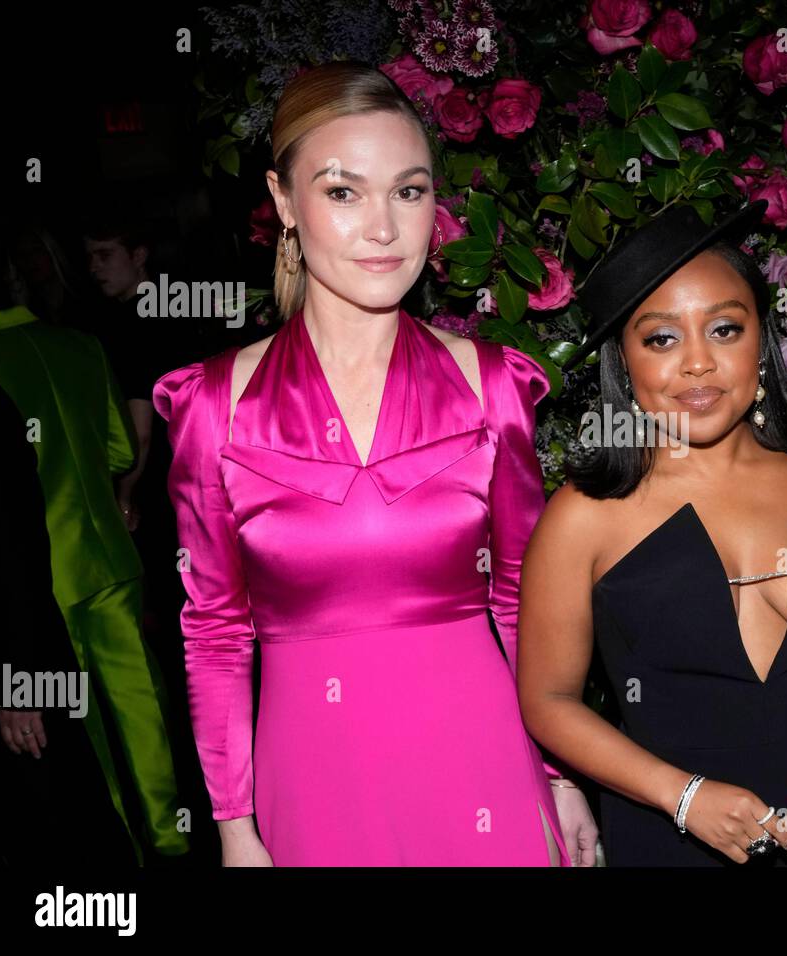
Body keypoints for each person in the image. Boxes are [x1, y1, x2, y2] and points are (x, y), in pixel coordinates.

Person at [152, 61, 594, 866]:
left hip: (485, 769)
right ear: (284, 203)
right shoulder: (214, 406)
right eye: (344, 192)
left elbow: (528, 604)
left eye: (410, 190)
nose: (385, 229)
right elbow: (215, 632)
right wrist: (234, 828)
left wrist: (564, 780)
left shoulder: (491, 386)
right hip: (315, 789)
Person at [516, 201, 787, 866]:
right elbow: (548, 701)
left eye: (724, 329)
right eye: (661, 339)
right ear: (624, 362)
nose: (697, 364)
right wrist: (684, 797)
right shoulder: (584, 516)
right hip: (666, 837)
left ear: (762, 341)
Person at [0, 251, 188, 865]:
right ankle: (170, 832)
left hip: (43, 573)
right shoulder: (80, 342)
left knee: (85, 727)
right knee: (140, 702)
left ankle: (122, 846)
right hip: (109, 552)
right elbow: (123, 448)